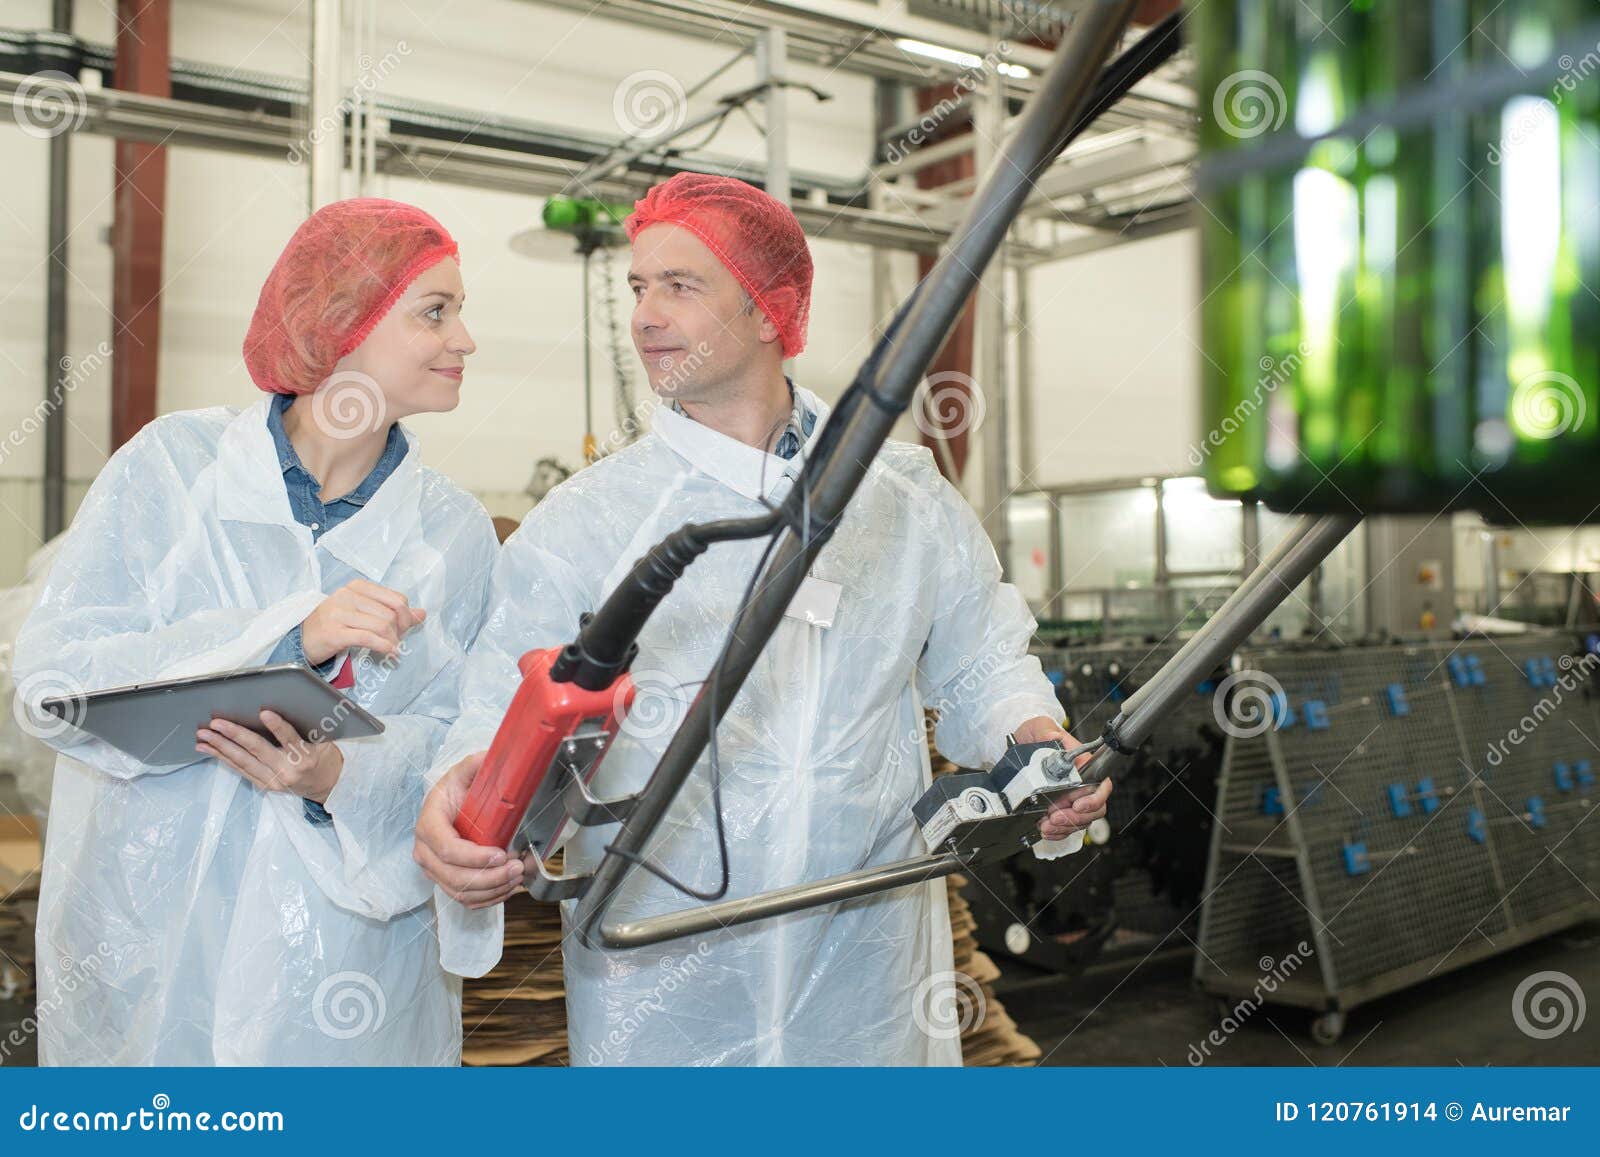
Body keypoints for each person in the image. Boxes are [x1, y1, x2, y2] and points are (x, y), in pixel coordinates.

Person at [413, 172, 1111, 1066]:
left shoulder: (899, 495)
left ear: (771, 310)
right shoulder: (589, 520)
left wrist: (1037, 743)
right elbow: (499, 704)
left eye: (680, 285)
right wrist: (462, 793)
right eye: (639, 286)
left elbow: (982, 660)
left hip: (867, 960)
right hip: (660, 977)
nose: (645, 316)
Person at [11, 198, 498, 1065]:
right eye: (435, 311)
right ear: (343, 320)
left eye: (459, 311)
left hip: (345, 973)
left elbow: (460, 742)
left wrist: (338, 772)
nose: (465, 340)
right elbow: (57, 681)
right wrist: (285, 637)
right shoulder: (173, 470)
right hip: (149, 938)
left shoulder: (452, 531)